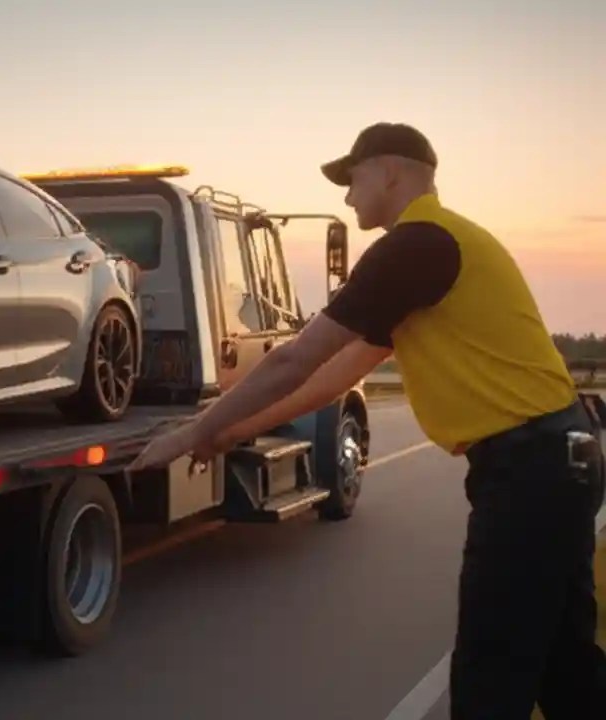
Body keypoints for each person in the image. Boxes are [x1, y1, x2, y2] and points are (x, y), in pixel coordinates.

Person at [128, 122, 606, 718]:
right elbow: (328, 378)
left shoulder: (415, 244)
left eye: (353, 181)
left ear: (390, 173)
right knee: (566, 670)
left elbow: (297, 356)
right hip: (562, 463)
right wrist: (231, 431)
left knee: (492, 678)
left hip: (530, 474)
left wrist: (190, 433)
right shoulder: (439, 248)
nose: (349, 197)